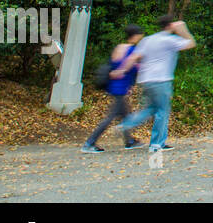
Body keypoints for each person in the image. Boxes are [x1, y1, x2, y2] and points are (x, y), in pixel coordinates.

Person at [115, 15, 196, 154]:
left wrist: (122, 70)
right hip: (161, 80)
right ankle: (157, 144)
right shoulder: (170, 40)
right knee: (162, 111)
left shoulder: (147, 40)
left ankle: (126, 124)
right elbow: (191, 43)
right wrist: (183, 30)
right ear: (170, 26)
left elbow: (133, 57)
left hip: (145, 80)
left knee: (151, 108)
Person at [81, 25, 146, 153]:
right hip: (120, 87)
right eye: (140, 35)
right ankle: (89, 143)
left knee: (125, 114)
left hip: (114, 84)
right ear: (135, 35)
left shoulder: (119, 47)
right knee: (110, 117)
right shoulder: (132, 50)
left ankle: (129, 141)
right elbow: (131, 68)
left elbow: (113, 65)